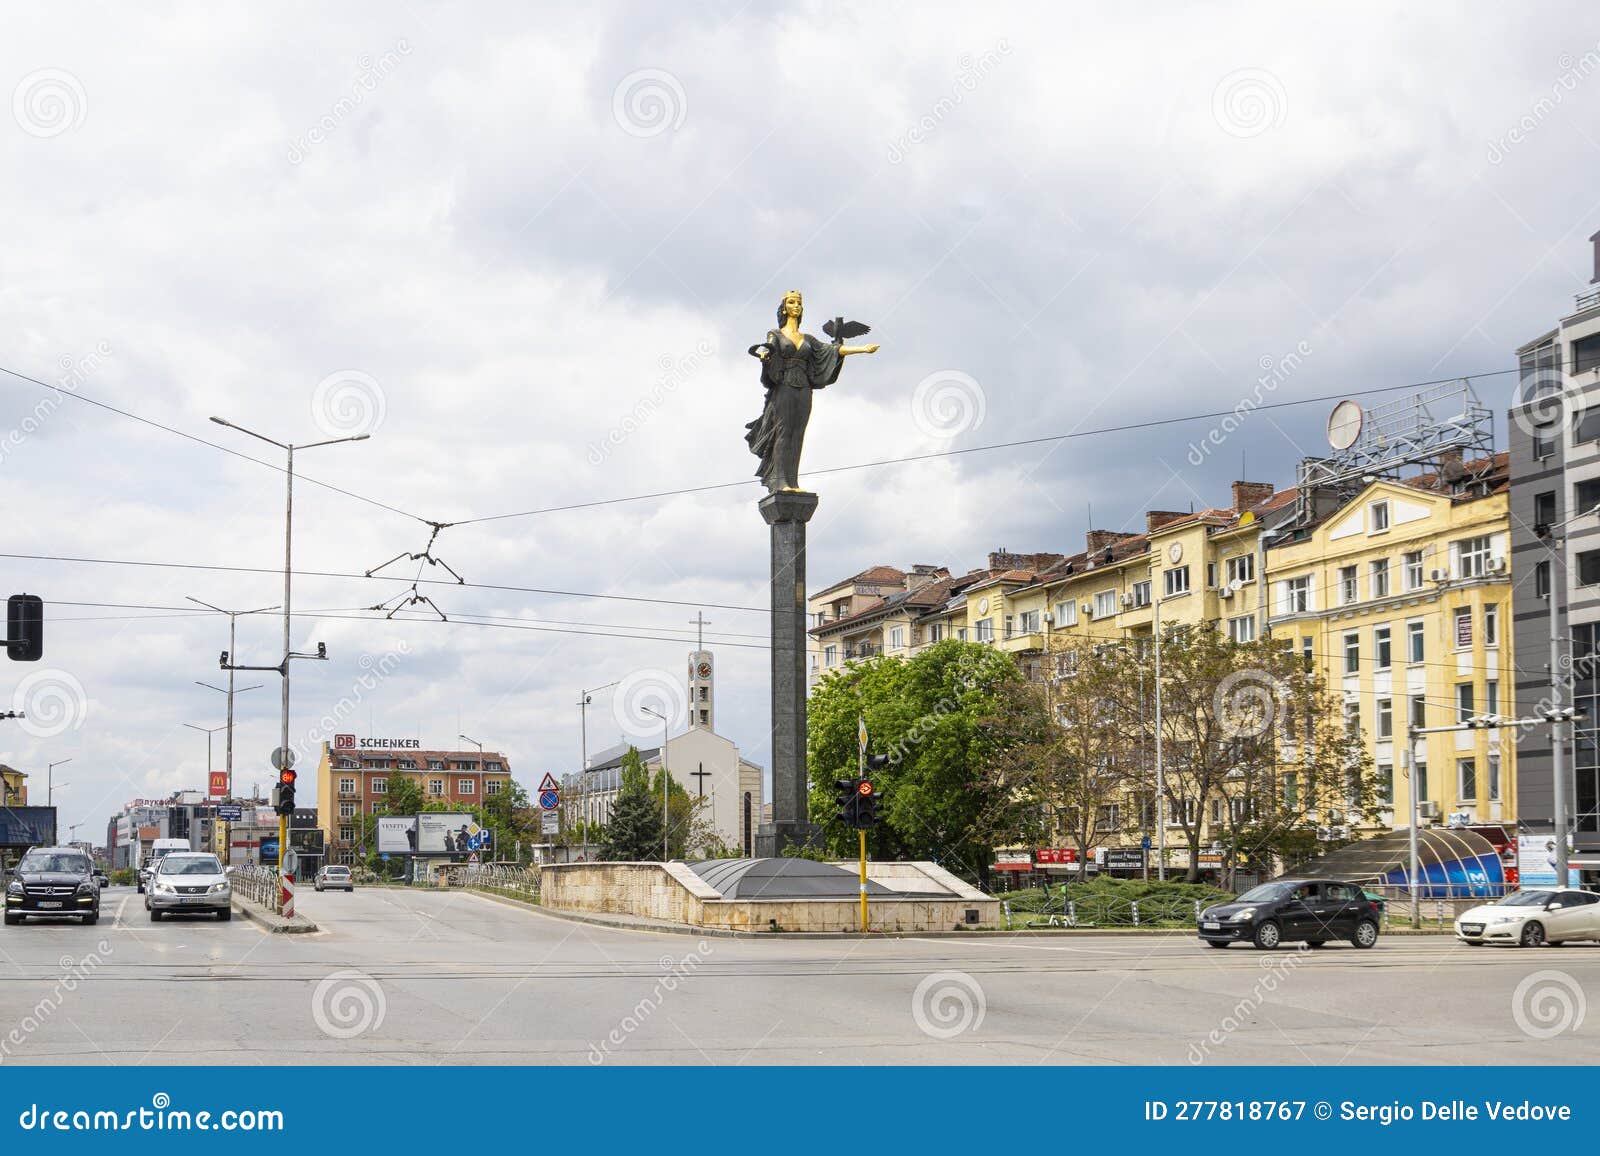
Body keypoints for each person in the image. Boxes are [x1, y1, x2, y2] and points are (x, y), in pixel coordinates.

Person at [744, 290, 879, 492]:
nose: (796, 306)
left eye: (798, 303)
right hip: (785, 387)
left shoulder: (808, 338)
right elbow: (769, 349)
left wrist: (862, 349)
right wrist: (765, 357)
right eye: (791, 302)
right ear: (784, 308)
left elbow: (832, 350)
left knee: (798, 434)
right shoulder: (776, 334)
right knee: (784, 432)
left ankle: (792, 482)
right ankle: (780, 482)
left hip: (804, 389)